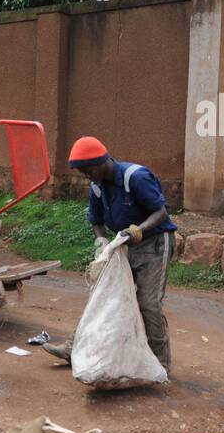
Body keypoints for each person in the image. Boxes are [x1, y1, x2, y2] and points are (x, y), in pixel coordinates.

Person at [42, 136, 177, 373]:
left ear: (102, 161)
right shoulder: (97, 186)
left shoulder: (136, 177)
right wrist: (101, 239)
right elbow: (96, 220)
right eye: (82, 171)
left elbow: (161, 212)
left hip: (154, 243)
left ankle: (160, 363)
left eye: (88, 169)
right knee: (103, 294)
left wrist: (139, 229)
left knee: (148, 304)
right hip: (122, 244)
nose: (86, 175)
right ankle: (74, 348)